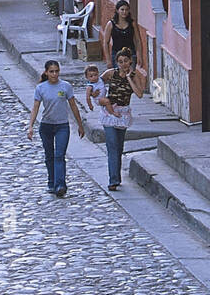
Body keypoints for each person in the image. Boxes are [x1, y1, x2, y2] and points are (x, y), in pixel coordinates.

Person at [26, 60, 85, 197]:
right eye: (51, 71)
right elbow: (35, 108)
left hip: (62, 126)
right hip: (46, 126)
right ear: (46, 72)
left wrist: (80, 125)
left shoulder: (66, 87)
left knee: (59, 155)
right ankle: (51, 182)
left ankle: (60, 184)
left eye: (57, 71)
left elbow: (73, 106)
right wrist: (30, 126)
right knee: (49, 156)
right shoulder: (41, 88)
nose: (54, 74)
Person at [98, 50, 145, 191]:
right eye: (120, 62)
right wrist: (97, 98)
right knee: (112, 145)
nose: (123, 64)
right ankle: (113, 180)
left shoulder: (136, 76)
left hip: (123, 114)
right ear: (117, 63)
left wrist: (129, 78)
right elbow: (96, 83)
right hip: (109, 113)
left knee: (118, 147)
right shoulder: (111, 73)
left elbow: (139, 93)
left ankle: (116, 177)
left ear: (130, 61)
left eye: (125, 61)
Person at [102, 0, 141, 69]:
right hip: (116, 55)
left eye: (126, 10)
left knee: (130, 76)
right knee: (120, 76)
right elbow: (105, 42)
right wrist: (108, 60)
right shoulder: (111, 24)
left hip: (131, 54)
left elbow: (137, 40)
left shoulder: (132, 23)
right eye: (122, 9)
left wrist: (139, 55)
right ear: (117, 10)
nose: (124, 12)